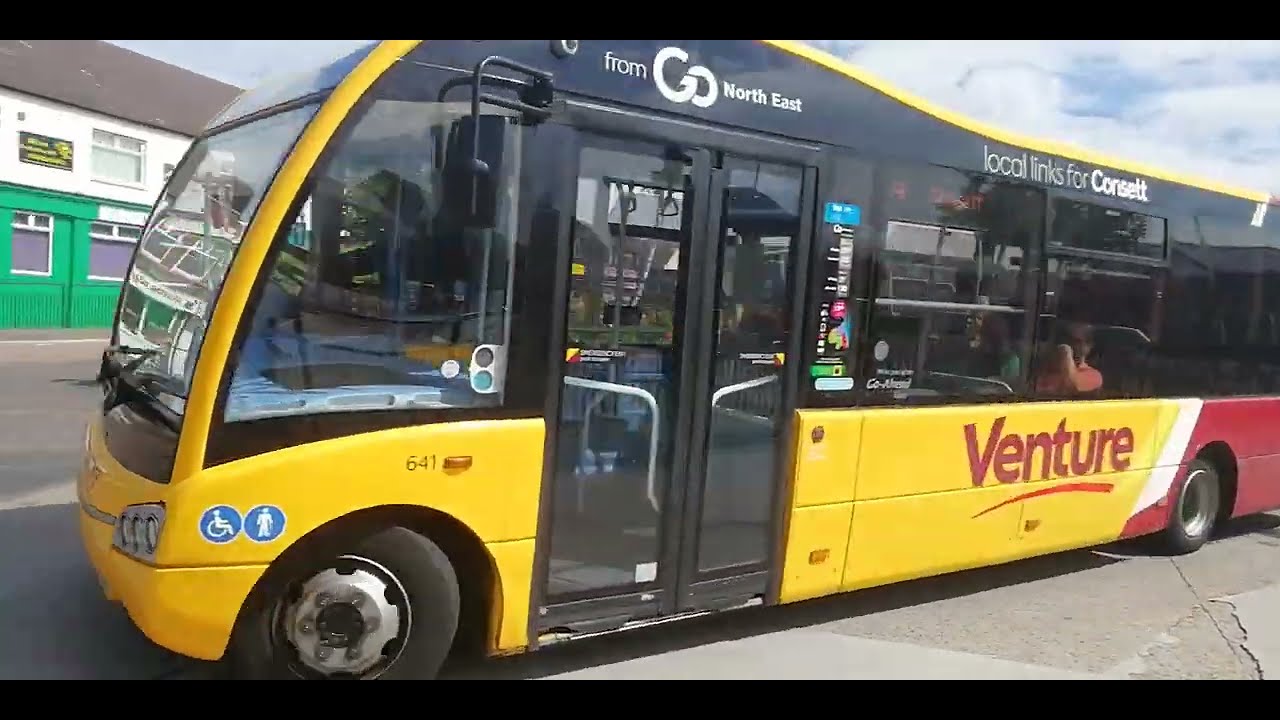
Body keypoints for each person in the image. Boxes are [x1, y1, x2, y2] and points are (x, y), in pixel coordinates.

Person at [1036, 321, 1103, 395]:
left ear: (1089, 345)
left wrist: (1067, 354)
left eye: (1076, 342)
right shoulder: (1044, 372)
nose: (1072, 346)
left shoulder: (1093, 376)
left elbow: (1072, 391)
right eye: (1067, 341)